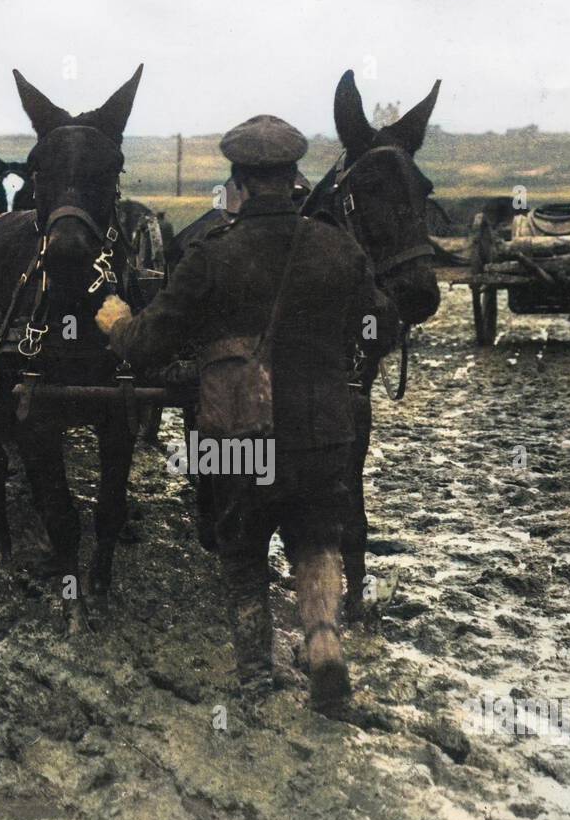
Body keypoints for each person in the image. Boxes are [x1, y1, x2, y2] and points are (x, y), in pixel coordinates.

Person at [94, 115, 396, 719]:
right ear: (294, 179)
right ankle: (324, 645)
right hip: (323, 430)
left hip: (238, 434)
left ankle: (257, 677)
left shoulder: (212, 257)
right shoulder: (337, 247)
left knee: (242, 550)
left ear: (238, 184)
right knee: (316, 540)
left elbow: (153, 344)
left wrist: (116, 324)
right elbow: (382, 322)